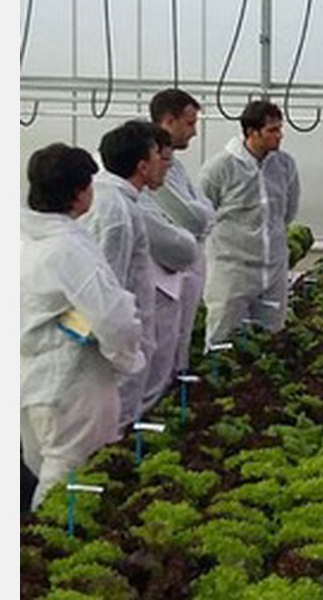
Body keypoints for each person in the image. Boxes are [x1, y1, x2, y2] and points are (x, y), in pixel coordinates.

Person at [21, 144, 144, 509]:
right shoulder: (70, 248)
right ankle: (33, 560)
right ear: (79, 193)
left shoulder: (20, 239)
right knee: (65, 486)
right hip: (71, 387)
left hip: (28, 381)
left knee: (42, 467)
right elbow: (113, 318)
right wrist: (126, 359)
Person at [82, 120, 171, 432]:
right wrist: (119, 352)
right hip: (117, 351)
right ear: (142, 166)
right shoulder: (117, 212)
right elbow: (109, 288)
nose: (165, 164)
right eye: (158, 156)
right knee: (113, 429)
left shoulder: (120, 202)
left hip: (122, 342)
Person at [198, 100, 300, 345]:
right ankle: (220, 382)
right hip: (232, 270)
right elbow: (201, 215)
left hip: (272, 267)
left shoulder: (284, 164)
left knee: (270, 339)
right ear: (252, 133)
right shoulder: (220, 167)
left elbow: (288, 211)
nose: (280, 135)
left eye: (280, 128)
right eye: (272, 130)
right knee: (223, 339)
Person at [148, 88, 214, 375]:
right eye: (189, 123)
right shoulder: (153, 167)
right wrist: (200, 216)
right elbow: (194, 219)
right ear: (167, 121)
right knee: (159, 353)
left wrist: (200, 215)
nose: (194, 132)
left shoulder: (175, 165)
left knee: (176, 347)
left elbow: (204, 212)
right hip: (165, 275)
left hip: (182, 272)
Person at [138, 144, 200, 414]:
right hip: (143, 305)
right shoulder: (127, 209)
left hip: (155, 297)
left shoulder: (138, 201)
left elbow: (201, 216)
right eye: (162, 159)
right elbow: (182, 245)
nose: (167, 165)